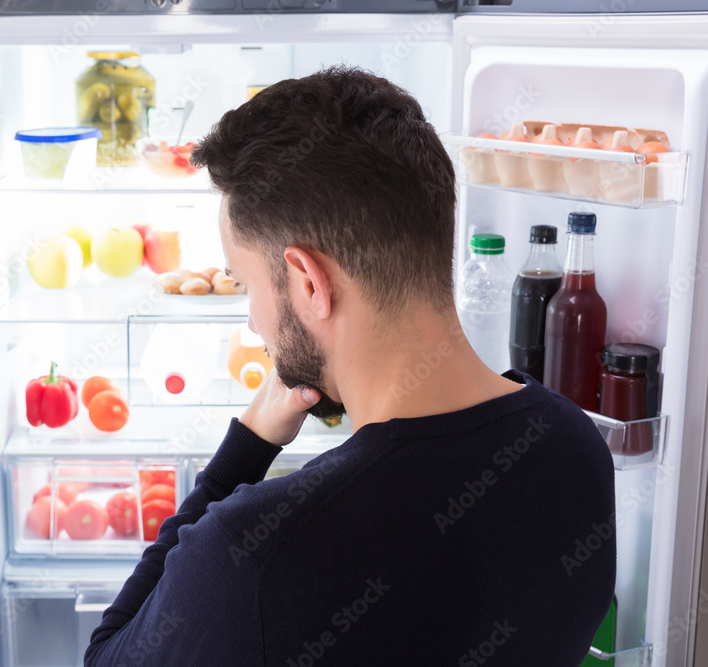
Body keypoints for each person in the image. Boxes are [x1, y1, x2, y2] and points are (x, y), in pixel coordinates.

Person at [84, 66, 615, 666]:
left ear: (310, 283)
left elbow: (106, 656)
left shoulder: (255, 555)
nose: (253, 323)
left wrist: (240, 457)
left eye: (244, 282)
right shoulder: (576, 448)